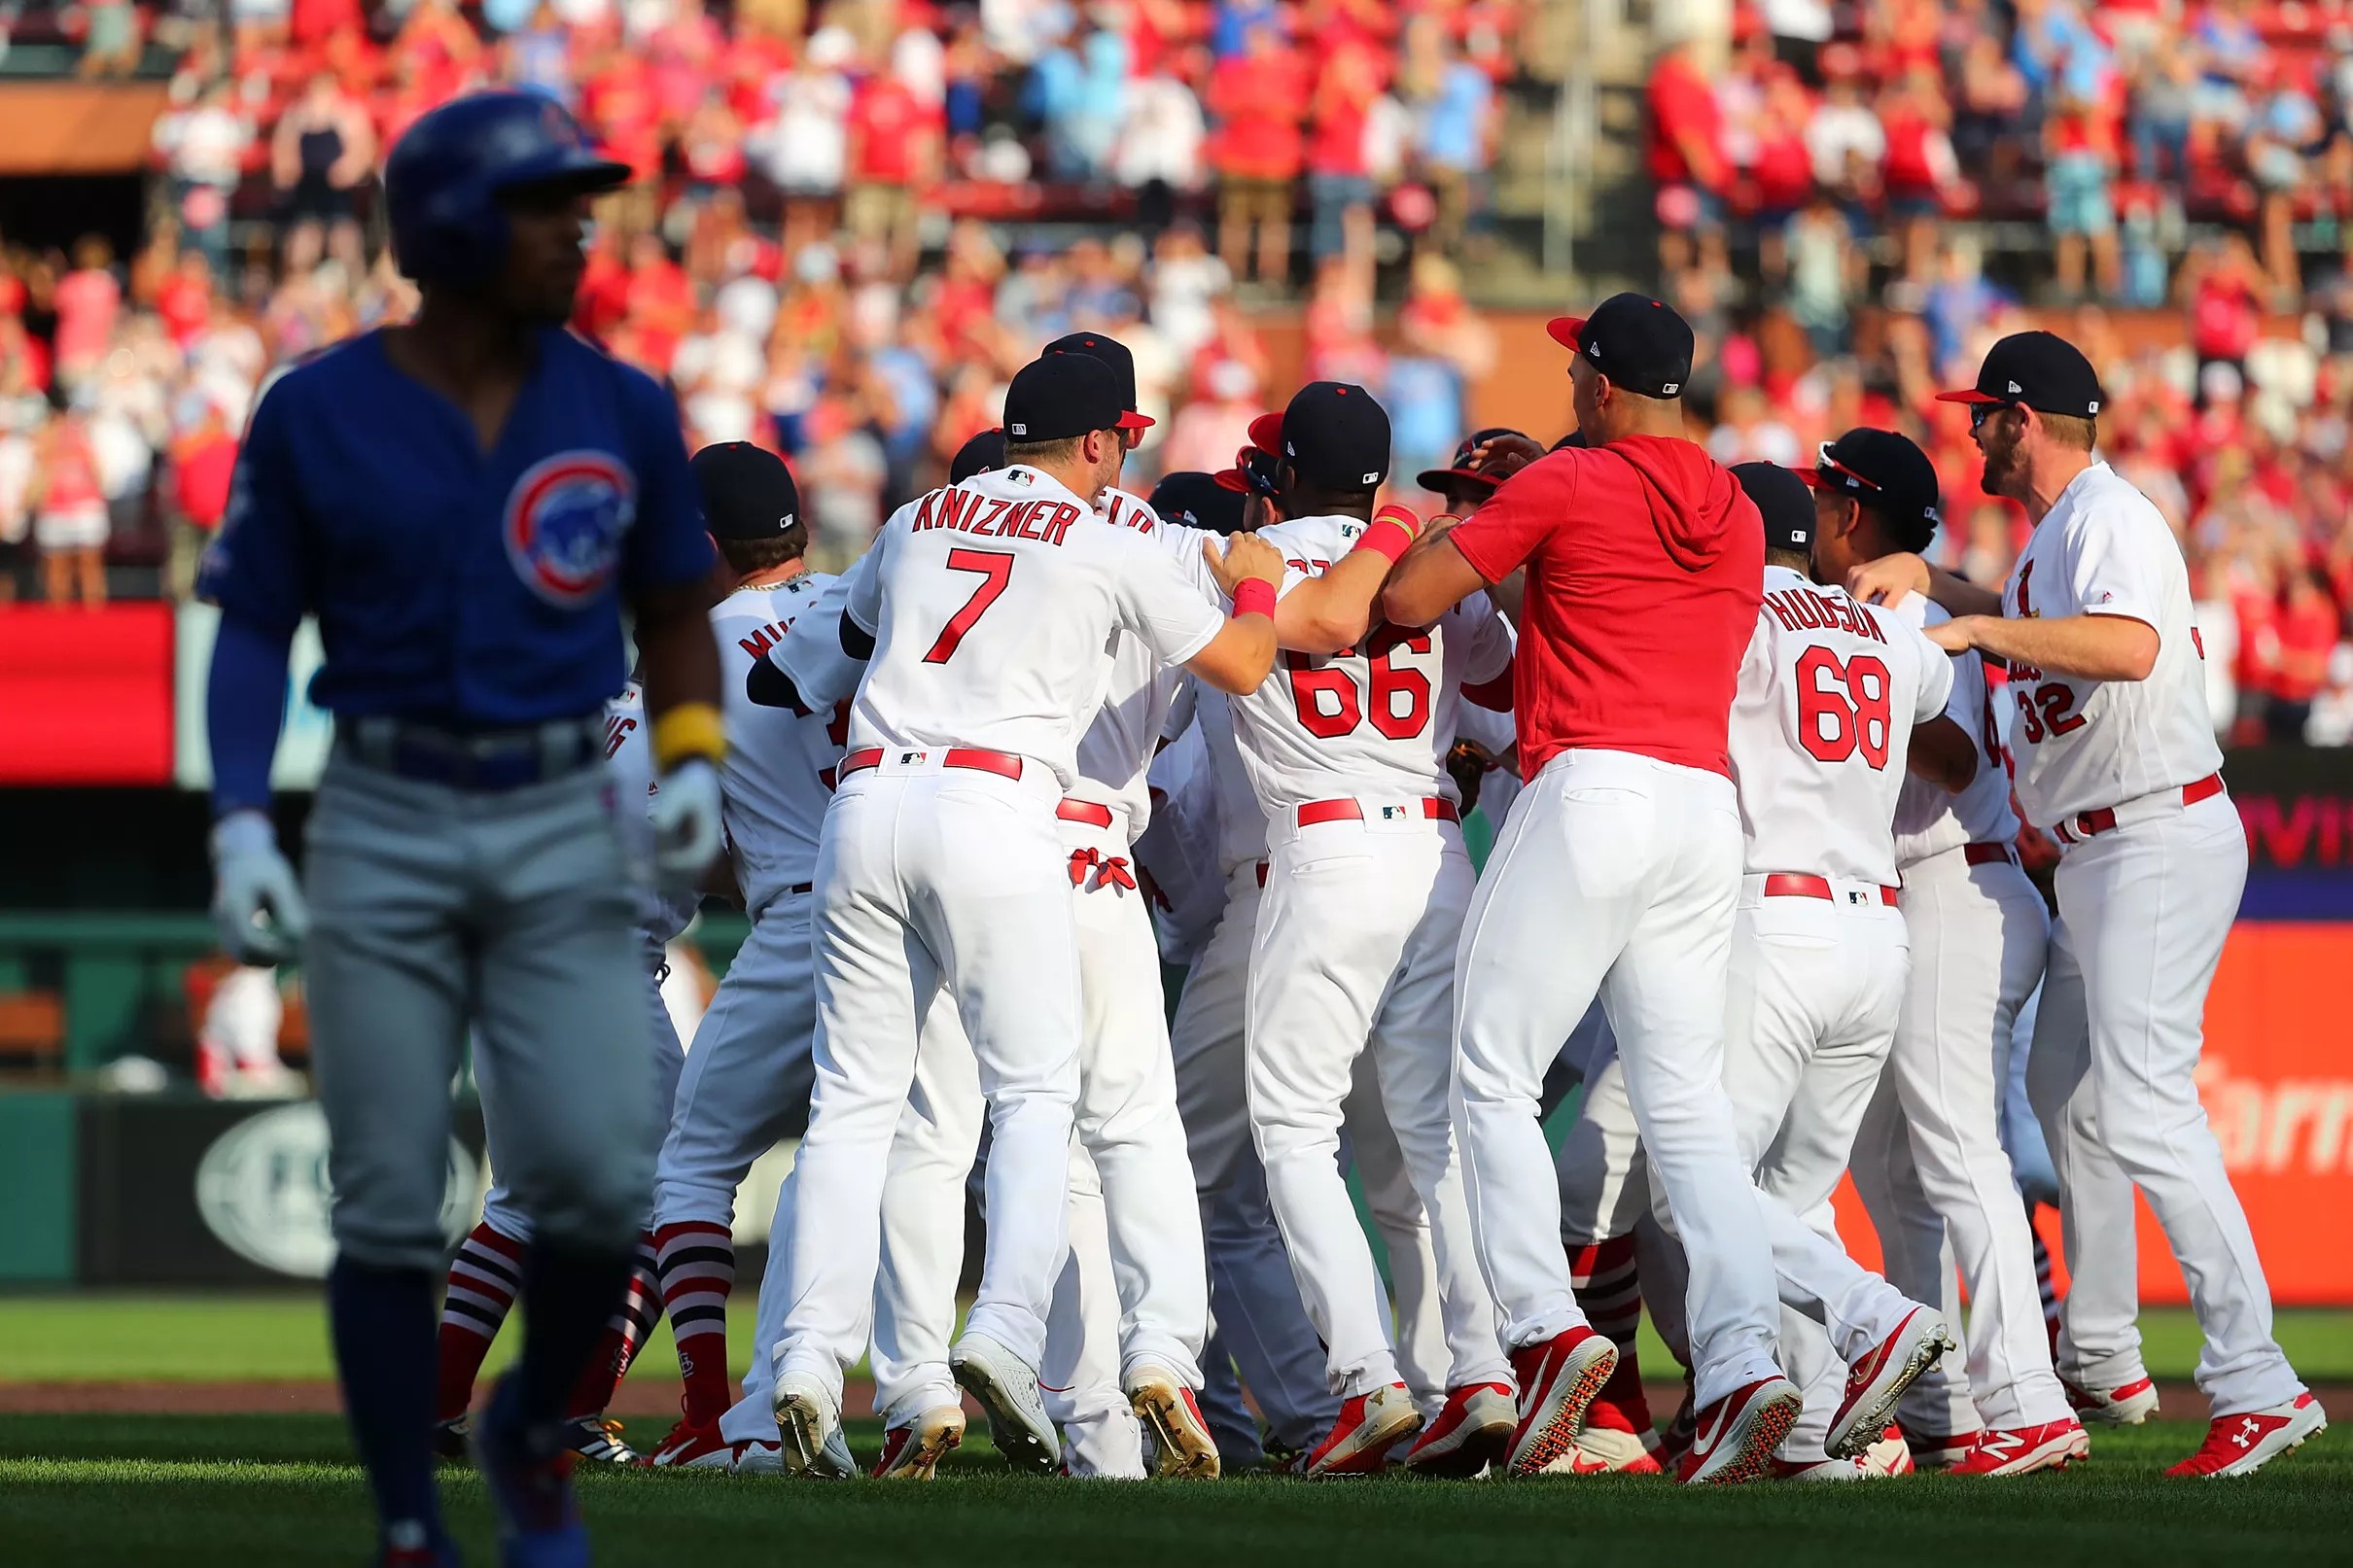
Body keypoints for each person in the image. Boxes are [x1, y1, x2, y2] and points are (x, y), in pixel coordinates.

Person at [196, 92, 725, 1568]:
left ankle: (533, 1435)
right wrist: (243, 819)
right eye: (545, 202)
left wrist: (687, 754)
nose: (580, 226)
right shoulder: (317, 404)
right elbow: (248, 631)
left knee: (608, 1174)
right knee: (383, 1198)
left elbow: (679, 610)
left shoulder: (617, 401)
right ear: (445, 226)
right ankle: (413, 1519)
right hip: (383, 802)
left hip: (564, 807)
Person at [1382, 294, 1951, 1485]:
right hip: (1703, 811)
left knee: (1483, 1066)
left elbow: (1408, 602)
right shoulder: (1740, 512)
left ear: (1595, 384)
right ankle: (1744, 1356)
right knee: (1683, 1103)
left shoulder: (1570, 479)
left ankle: (1540, 1331)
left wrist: (1422, 540)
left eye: (1571, 372)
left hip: (1591, 781)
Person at [745, 352, 1285, 1475]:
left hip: (868, 798)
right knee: (1038, 1095)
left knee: (855, 1107)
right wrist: (1258, 577)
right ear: (1098, 444)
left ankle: (805, 1358)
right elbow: (1241, 658)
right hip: (997, 806)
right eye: (1120, 438)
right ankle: (1000, 1328)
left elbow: (812, 667)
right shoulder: (1105, 539)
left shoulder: (914, 516)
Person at [1849, 331, 2330, 1478]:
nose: (1969, 431)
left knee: (2146, 1101)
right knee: (2063, 1086)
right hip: (2104, 843)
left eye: (1983, 414)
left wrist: (1969, 626)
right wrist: (1943, 586)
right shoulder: (2050, 541)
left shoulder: (2107, 514)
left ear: (2024, 420)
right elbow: (2035, 613)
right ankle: (2104, 1350)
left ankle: (2256, 1381)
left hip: (2151, 827)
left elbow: (2120, 644)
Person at [1226, 381, 1519, 1477]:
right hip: (1436, 845)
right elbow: (1500, 688)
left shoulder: (1242, 557)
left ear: (1286, 467)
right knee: (1434, 1131)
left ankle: (1367, 1379)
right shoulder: (1424, 562)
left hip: (1324, 842)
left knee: (1295, 1129)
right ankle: (1479, 1372)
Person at [1815, 426, 2088, 1476]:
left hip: (1954, 882)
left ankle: (2027, 1397)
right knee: (1890, 1170)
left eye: (1825, 499)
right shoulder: (1896, 605)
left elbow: (1950, 751)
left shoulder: (1907, 613)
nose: (1817, 517)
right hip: (1925, 891)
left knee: (1955, 1146)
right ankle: (1942, 1402)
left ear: (1851, 515)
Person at [1714, 459, 1976, 1479]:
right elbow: (1946, 732)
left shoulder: (1738, 614)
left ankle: (1874, 1312)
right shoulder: (1881, 626)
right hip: (1875, 928)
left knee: (1704, 1176)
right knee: (1796, 1192)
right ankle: (1825, 1435)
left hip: (1773, 918)